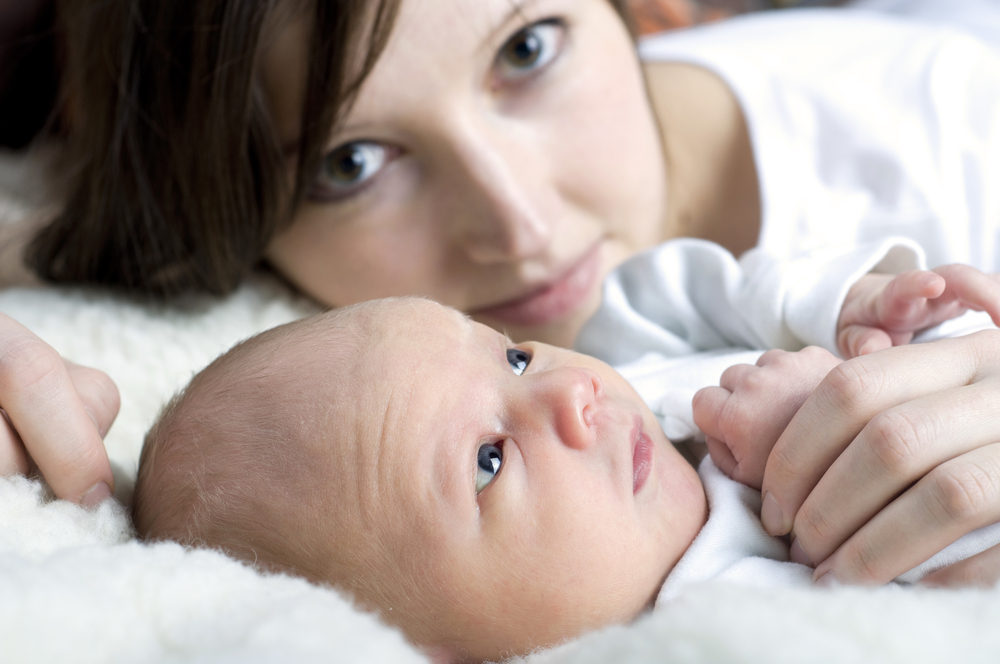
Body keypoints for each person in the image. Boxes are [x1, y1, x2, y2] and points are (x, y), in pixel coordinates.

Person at [4, 0, 1000, 586]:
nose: (519, 225)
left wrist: (845, 308)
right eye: (350, 162)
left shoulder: (961, 127)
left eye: (526, 49)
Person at [131, 292, 1000, 663]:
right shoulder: (717, 628)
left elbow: (663, 289)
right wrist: (804, 441)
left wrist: (852, 300)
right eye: (488, 462)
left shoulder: (647, 376)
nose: (570, 391)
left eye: (510, 356)